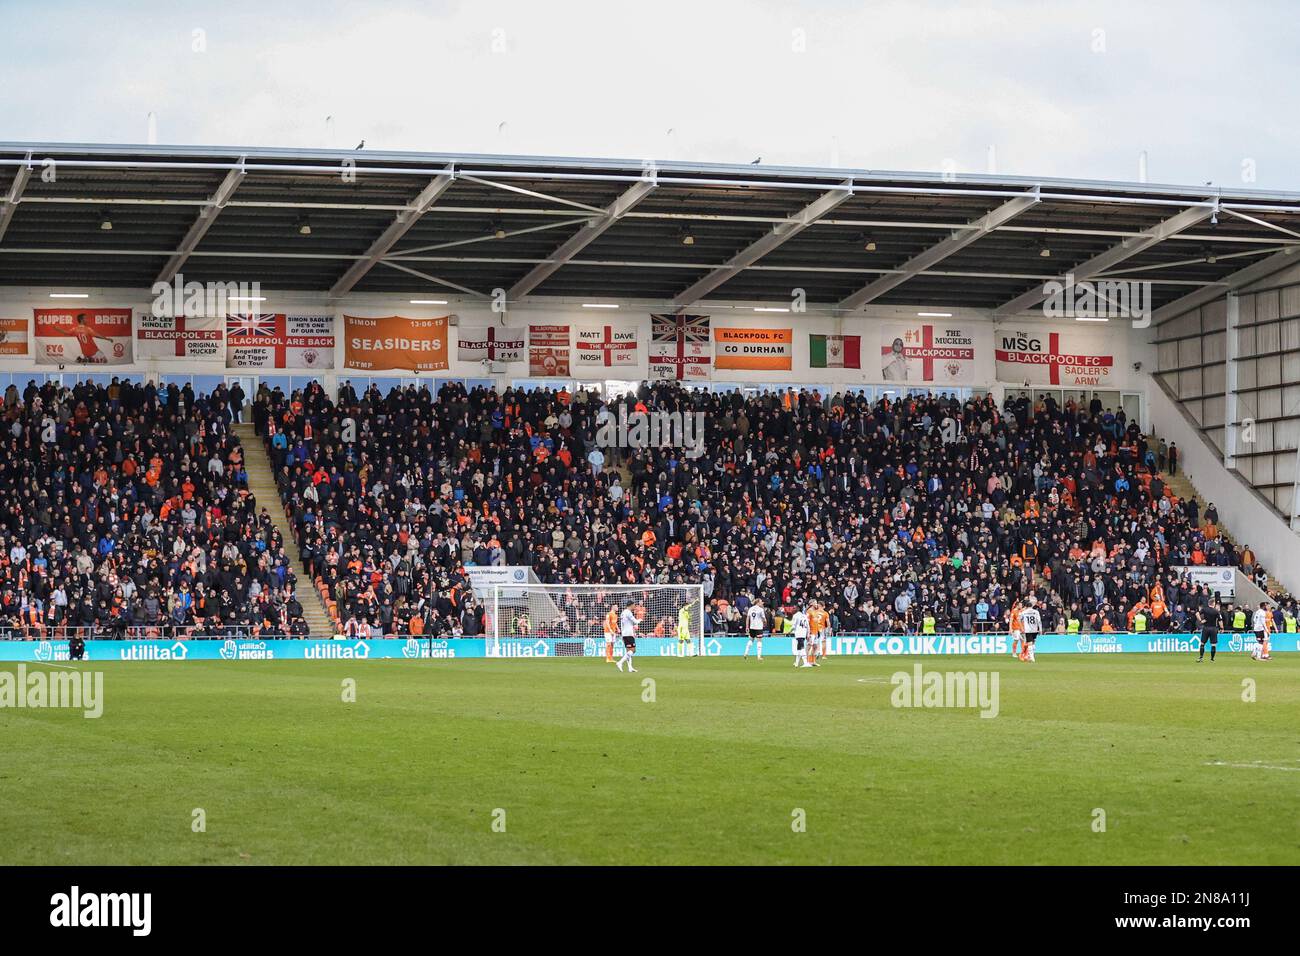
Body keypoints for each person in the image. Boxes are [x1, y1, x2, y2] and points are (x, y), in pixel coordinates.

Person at [616, 602, 641, 673]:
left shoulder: (623, 613)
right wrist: (639, 620)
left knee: (628, 651)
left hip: (624, 633)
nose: (634, 606)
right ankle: (620, 662)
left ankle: (630, 668)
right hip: (629, 633)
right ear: (630, 605)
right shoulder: (629, 613)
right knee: (633, 650)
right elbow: (635, 622)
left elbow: (622, 624)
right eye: (634, 605)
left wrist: (622, 633)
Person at [1019, 596, 1042, 663]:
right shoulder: (1036, 612)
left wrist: (1022, 628)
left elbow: (1019, 619)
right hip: (1035, 629)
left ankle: (1031, 657)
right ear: (1031, 606)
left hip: (1028, 630)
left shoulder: (1024, 612)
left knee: (1030, 643)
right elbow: (1039, 621)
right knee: (1033, 643)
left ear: (1026, 606)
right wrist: (1040, 629)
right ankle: (1031, 655)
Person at [743, 597, 767, 661]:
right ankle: (759, 657)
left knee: (751, 640)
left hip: (752, 627)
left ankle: (745, 653)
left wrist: (747, 627)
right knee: (759, 641)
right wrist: (765, 623)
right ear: (758, 602)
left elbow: (747, 618)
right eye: (761, 601)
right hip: (758, 627)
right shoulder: (760, 609)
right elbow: (764, 619)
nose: (762, 603)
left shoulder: (750, 609)